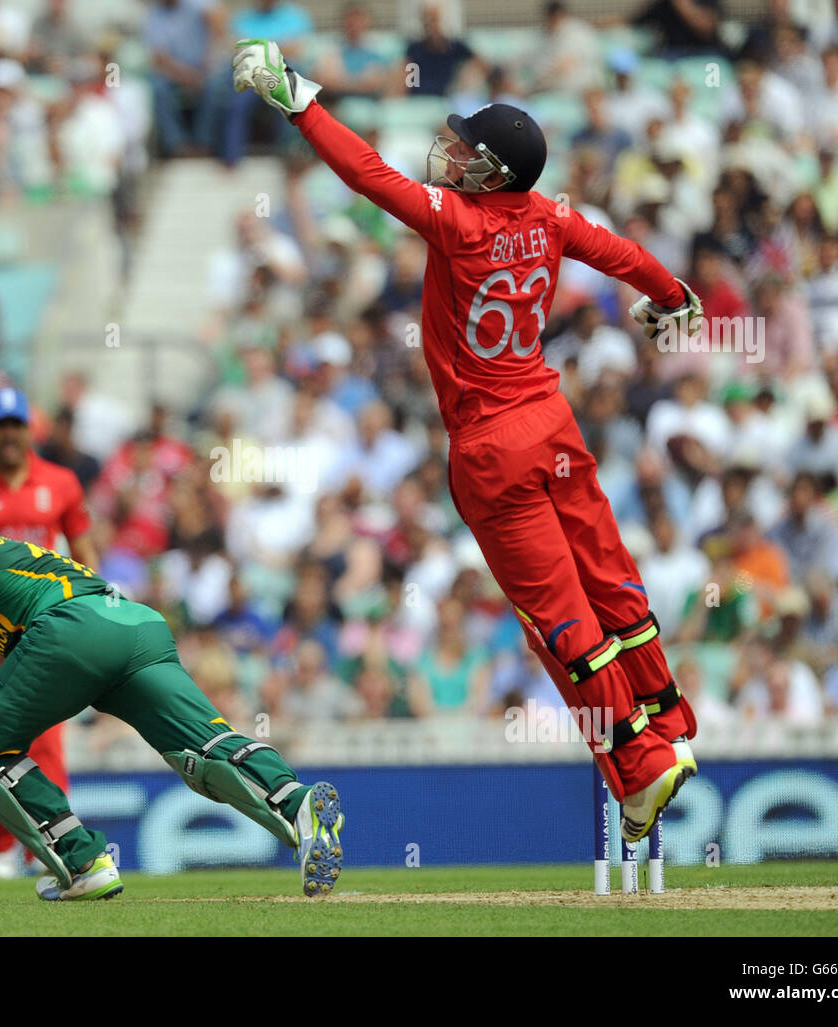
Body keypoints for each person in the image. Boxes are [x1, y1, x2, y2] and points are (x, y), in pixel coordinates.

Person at [233, 40, 704, 842]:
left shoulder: (459, 222)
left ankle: (640, 764)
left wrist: (297, 99)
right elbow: (625, 255)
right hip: (554, 424)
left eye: (466, 151)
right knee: (611, 580)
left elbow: (366, 176)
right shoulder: (551, 216)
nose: (449, 155)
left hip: (491, 446)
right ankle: (668, 717)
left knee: (560, 623)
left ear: (494, 173)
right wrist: (674, 297)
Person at [0, 480, 344, 899]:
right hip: (134, 624)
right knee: (200, 752)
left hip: (70, 631)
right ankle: (297, 804)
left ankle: (83, 862)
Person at [0, 387, 98, 878]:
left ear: (30, 429)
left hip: (46, 633)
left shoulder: (62, 482)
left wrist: (93, 606)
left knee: (47, 743)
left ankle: (48, 844)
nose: (9, 434)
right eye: (0, 425)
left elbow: (85, 552)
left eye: (16, 424)